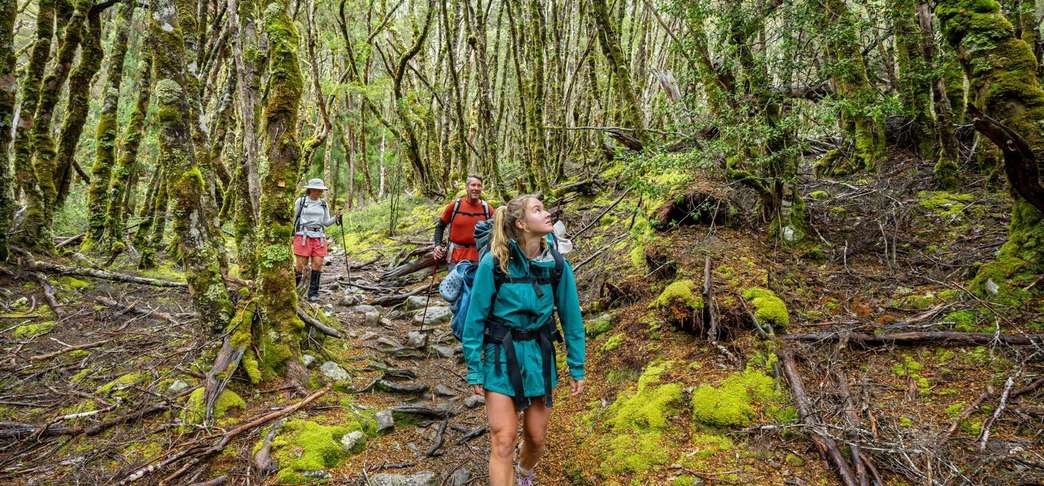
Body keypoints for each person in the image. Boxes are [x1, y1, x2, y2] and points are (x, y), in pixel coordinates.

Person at [461, 195, 586, 486]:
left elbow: (571, 319)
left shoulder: (557, 265)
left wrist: (576, 364)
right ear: (520, 223)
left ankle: (525, 472)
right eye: (538, 209)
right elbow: (475, 320)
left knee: (536, 437)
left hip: (540, 356)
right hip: (500, 355)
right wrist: (474, 367)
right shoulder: (494, 264)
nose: (547, 213)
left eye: (545, 208)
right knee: (503, 440)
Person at [291, 178, 341, 302]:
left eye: (321, 190)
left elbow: (326, 222)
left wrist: (336, 218)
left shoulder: (323, 203)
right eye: (316, 189)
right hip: (302, 235)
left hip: (319, 237)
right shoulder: (301, 201)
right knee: (300, 266)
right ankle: (296, 290)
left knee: (318, 264)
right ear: (310, 189)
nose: (319, 192)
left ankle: (313, 293)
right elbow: (293, 218)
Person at [432, 175, 494, 272]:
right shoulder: (455, 206)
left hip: (480, 257)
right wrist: (437, 245)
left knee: (476, 287)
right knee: (455, 286)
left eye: (479, 186)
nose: (476, 188)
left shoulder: (487, 209)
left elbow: (497, 231)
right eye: (473, 185)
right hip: (455, 257)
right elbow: (440, 226)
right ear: (466, 187)